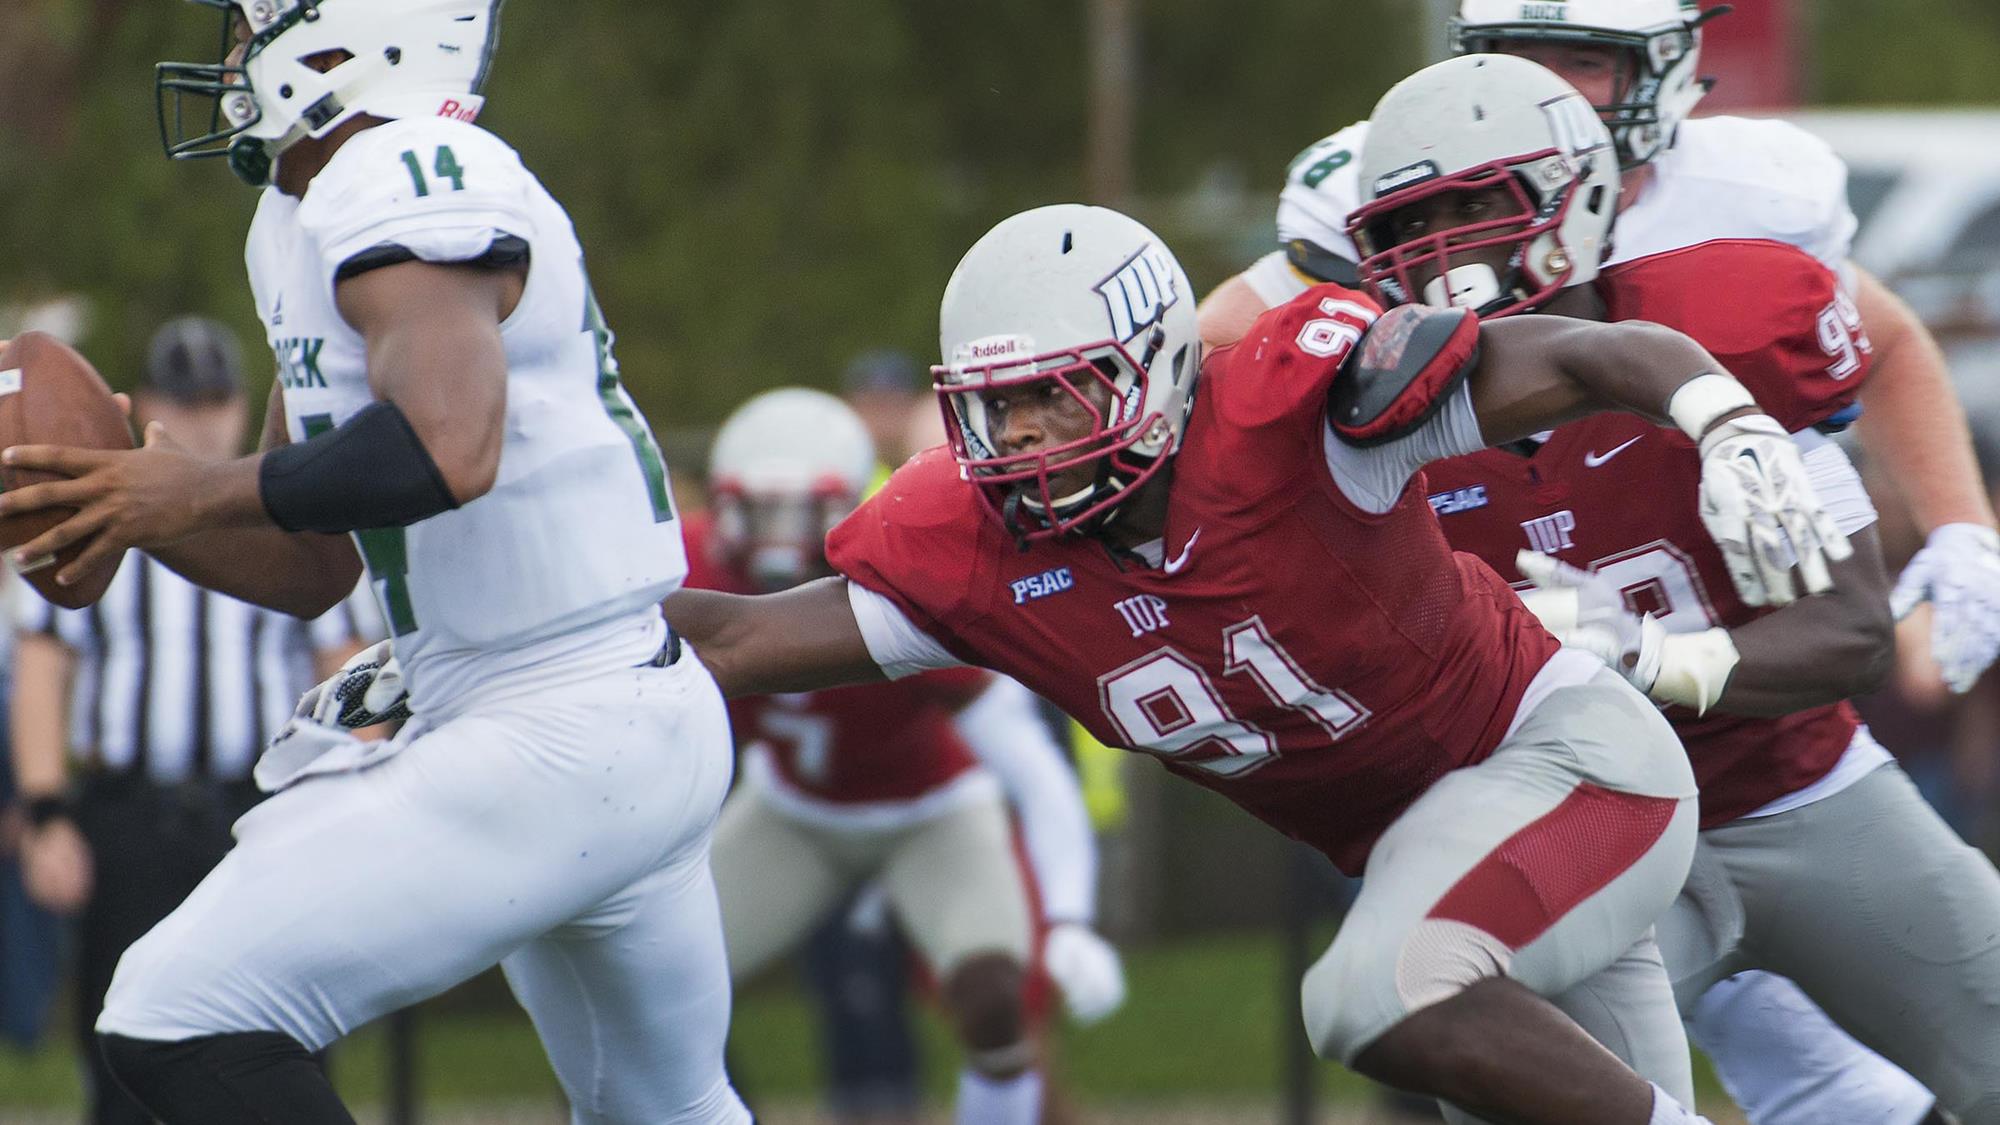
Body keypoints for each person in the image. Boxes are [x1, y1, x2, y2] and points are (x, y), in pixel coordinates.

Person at [664, 183, 1855, 1121]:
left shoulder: (1294, 420)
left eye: (1057, 399)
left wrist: (1721, 418)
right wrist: (526, 628)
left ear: (1155, 370)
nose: (1023, 439)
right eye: (996, 409)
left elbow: (1586, 355)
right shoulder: (973, 553)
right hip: (1439, 854)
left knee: (1365, 998)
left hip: (1571, 770)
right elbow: (734, 637)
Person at [0, 4, 748, 1122]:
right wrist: (136, 506)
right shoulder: (299, 215)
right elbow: (312, 561)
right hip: (595, 705)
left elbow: (450, 448)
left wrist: (195, 487)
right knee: (665, 1111)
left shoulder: (399, 168)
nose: (230, 61)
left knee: (177, 1012)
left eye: (251, 31)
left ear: (350, 42)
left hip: (556, 714)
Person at [1339, 53, 2000, 1125]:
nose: (1445, 249)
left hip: (1801, 794)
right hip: (1581, 832)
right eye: (1417, 221)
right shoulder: (1371, 437)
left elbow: (1848, 636)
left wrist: (1649, 662)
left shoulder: (1718, 336)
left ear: (1579, 201)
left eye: (1478, 206)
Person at [1195, 0, 2000, 700]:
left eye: (1582, 60)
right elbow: (1210, 355)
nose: (1544, 87)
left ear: (1660, 67)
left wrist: (1963, 527)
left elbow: (1881, 340)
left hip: (1723, 632)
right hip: (1487, 624)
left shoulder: (1750, 195)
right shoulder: (1388, 185)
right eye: (1517, 57)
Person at [695, 387, 1119, 1125]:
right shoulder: (696, 568)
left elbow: (1032, 768)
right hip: (794, 813)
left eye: (797, 514)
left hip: (933, 815)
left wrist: (1071, 917)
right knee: (653, 983)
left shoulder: (895, 589)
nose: (775, 543)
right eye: (758, 512)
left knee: (993, 1000)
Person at [10, 315, 383, 1125]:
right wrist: (45, 813)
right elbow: (46, 666)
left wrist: (358, 802)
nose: (203, 419)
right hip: (132, 812)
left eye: (217, 401)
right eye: (185, 400)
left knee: (277, 1038)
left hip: (258, 814)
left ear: (241, 404)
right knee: (124, 1053)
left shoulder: (282, 520)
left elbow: (345, 666)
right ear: (143, 405)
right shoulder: (104, 518)